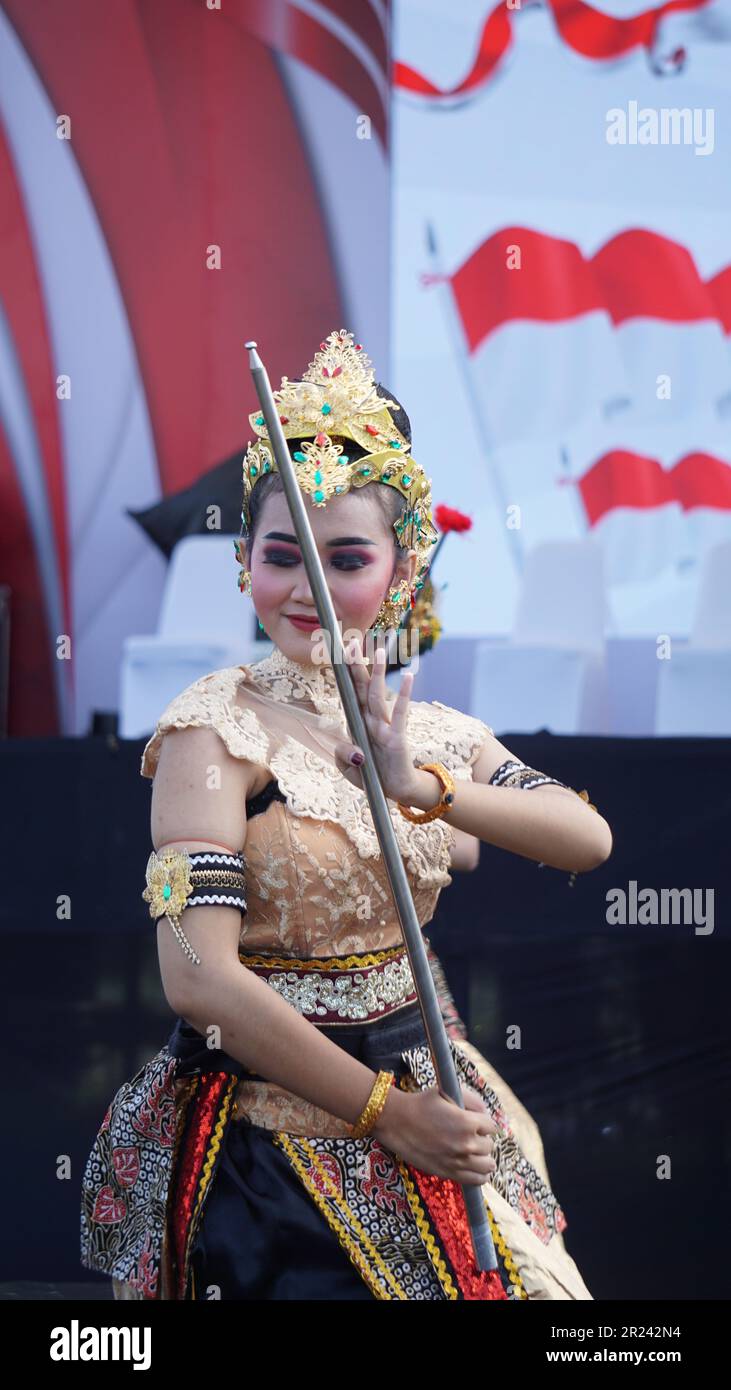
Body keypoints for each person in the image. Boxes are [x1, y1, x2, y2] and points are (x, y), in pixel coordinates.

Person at [80, 329, 611, 1301]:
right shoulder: (214, 730)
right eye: (282, 556)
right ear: (245, 563)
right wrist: (384, 1115)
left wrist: (420, 788)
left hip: (440, 1110)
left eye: (345, 558)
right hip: (273, 1145)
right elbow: (198, 979)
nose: (308, 588)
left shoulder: (429, 733)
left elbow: (585, 837)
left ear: (398, 572)